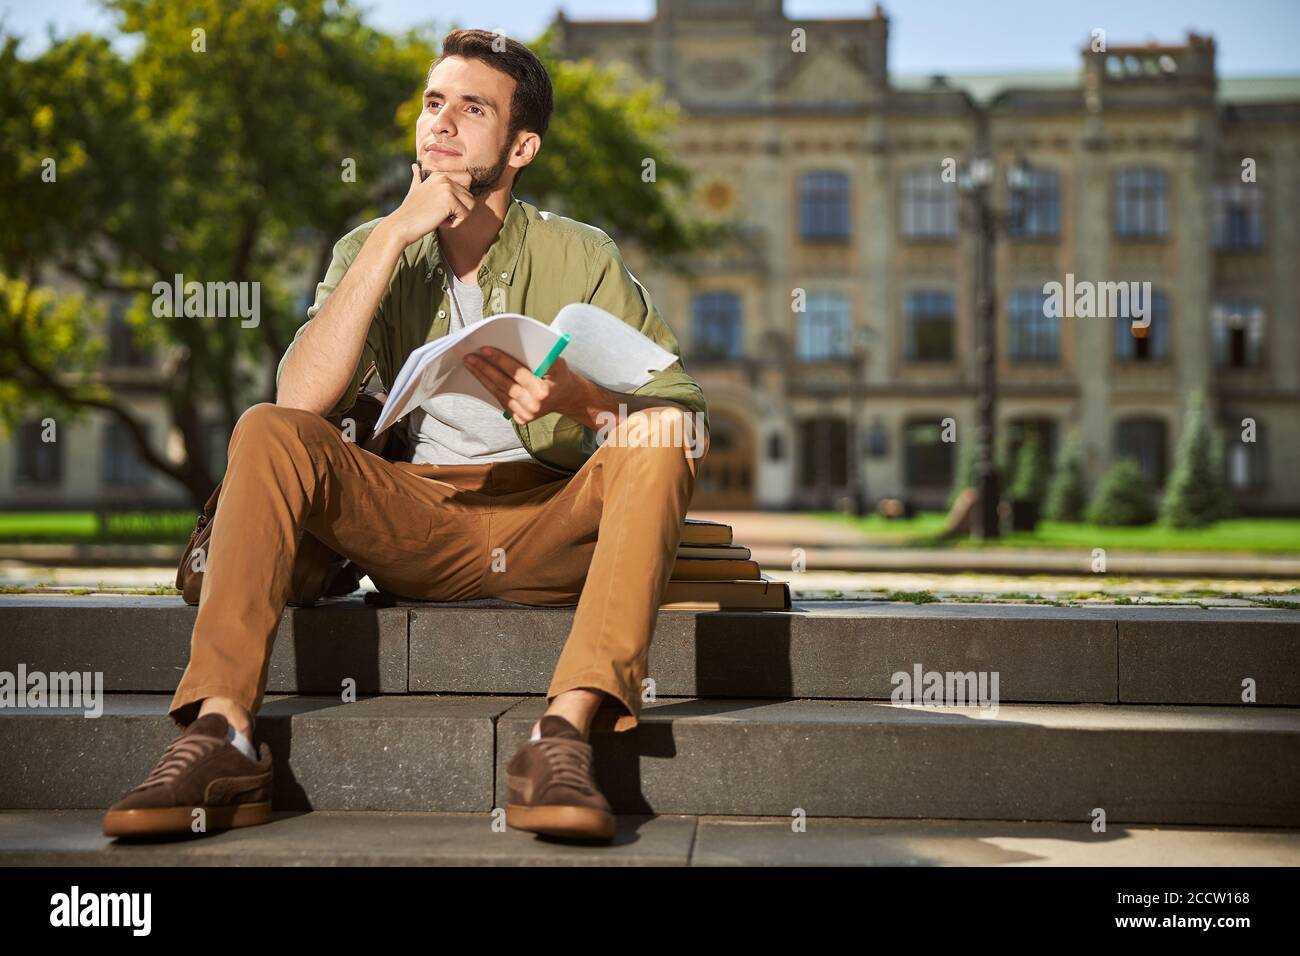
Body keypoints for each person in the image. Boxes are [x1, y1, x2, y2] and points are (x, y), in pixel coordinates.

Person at [102, 28, 709, 844]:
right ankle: (223, 735)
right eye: (432, 104)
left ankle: (560, 737)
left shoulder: (582, 253)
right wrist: (392, 236)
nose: (441, 124)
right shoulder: (368, 246)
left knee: (659, 433)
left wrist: (585, 400)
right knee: (267, 428)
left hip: (543, 523)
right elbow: (301, 399)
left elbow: (686, 427)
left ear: (522, 145)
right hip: (408, 519)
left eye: (471, 108)